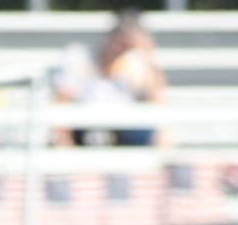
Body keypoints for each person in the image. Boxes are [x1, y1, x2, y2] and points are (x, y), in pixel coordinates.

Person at [53, 8, 168, 148]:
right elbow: (61, 103)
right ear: (109, 36)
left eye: (127, 45)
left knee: (150, 128)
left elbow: (158, 102)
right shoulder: (79, 58)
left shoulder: (135, 63)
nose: (120, 48)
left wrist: (148, 57)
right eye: (119, 40)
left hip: (123, 133)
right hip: (84, 131)